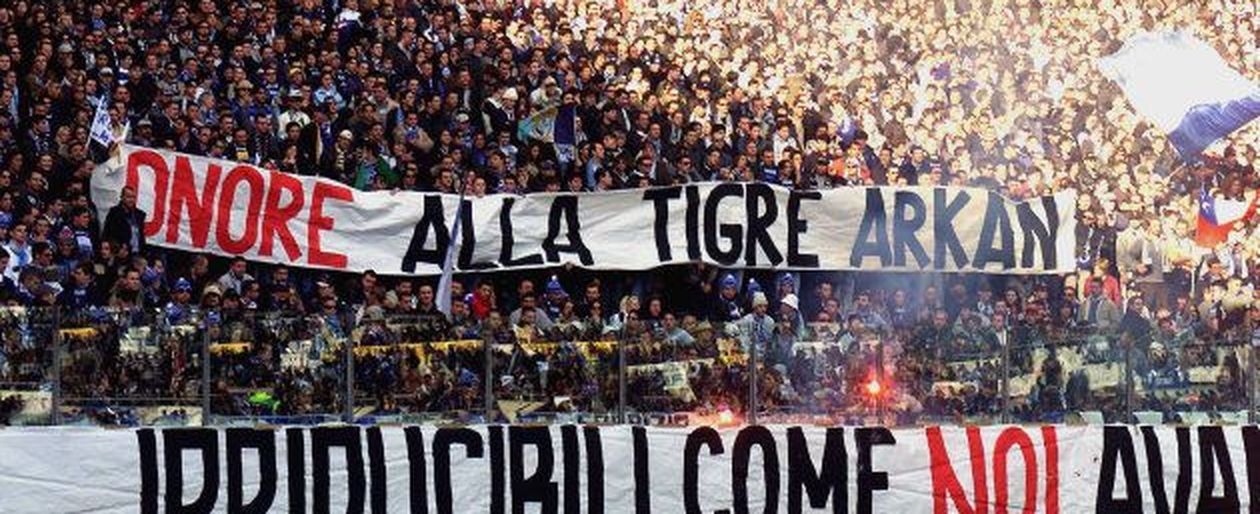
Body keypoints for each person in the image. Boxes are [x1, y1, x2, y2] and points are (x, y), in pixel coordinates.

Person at [102, 186, 146, 255]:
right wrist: (118, 248)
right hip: (120, 253)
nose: (131, 200)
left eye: (133, 197)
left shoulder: (139, 214)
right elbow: (108, 233)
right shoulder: (114, 212)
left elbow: (141, 236)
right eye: (128, 197)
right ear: (122, 197)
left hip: (137, 253)